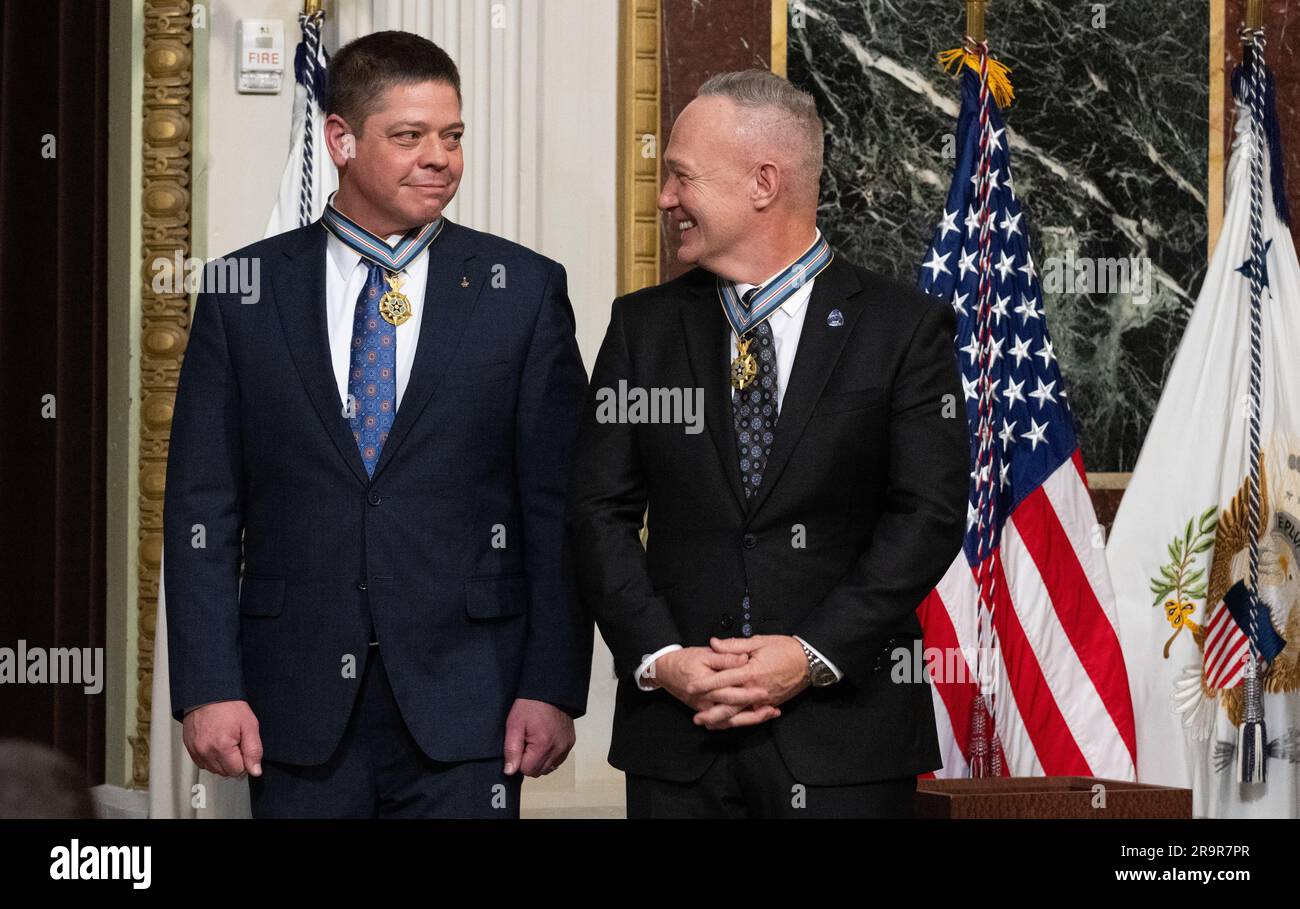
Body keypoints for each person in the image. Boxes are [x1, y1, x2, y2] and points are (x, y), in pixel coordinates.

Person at [164, 31, 591, 818]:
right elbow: (203, 506)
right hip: (291, 705)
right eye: (409, 136)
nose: (440, 157)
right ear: (341, 139)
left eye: (453, 136)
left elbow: (558, 508)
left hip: (474, 706)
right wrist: (207, 687)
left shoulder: (522, 291)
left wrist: (552, 685)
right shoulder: (242, 291)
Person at [568, 70, 968, 818]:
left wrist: (808, 655)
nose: (665, 199)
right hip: (677, 741)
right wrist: (662, 658)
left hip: (846, 742)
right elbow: (596, 510)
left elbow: (929, 515)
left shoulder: (903, 329)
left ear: (763, 183)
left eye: (682, 177)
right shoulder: (643, 329)